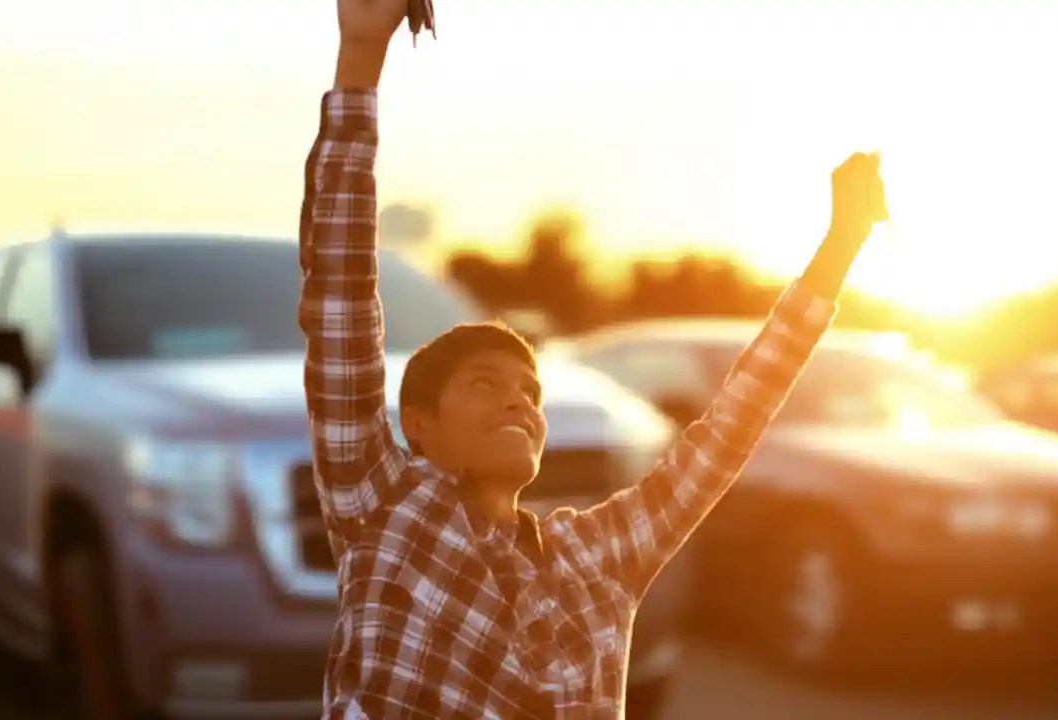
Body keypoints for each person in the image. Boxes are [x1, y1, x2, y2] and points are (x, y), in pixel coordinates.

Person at [299, 1, 889, 717]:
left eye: (530, 391)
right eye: (486, 384)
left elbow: (727, 430)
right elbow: (340, 300)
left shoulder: (599, 559)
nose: (519, 401)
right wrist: (360, 57)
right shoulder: (381, 504)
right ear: (418, 425)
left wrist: (838, 251)